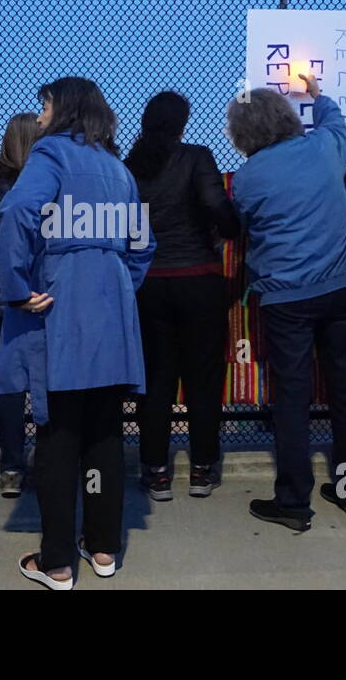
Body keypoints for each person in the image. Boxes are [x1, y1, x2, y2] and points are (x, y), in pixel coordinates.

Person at [0, 77, 154, 589]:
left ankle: (58, 561)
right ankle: (104, 549)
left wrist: (18, 286)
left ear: (60, 110)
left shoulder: (50, 155)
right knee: (105, 432)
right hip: (111, 309)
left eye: (43, 105)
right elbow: (143, 243)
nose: (38, 115)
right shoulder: (118, 167)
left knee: (58, 433)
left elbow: (18, 210)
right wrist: (116, 286)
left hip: (60, 305)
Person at [228, 76, 346, 531]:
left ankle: (293, 502)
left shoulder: (247, 179)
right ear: (287, 118)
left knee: (291, 398)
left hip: (288, 296)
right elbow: (336, 120)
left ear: (242, 134)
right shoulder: (323, 149)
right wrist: (314, 91)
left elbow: (243, 227)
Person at [124, 91, 239, 501]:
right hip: (199, 281)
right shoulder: (196, 156)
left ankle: (155, 470)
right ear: (182, 123)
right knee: (202, 379)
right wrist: (230, 228)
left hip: (149, 283)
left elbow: (128, 228)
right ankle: (203, 469)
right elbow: (216, 206)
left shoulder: (130, 168)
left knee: (155, 379)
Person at [0, 112, 41, 497]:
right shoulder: (51, 187)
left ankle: (11, 469)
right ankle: (52, 460)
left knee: (10, 389)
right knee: (51, 385)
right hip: (42, 298)